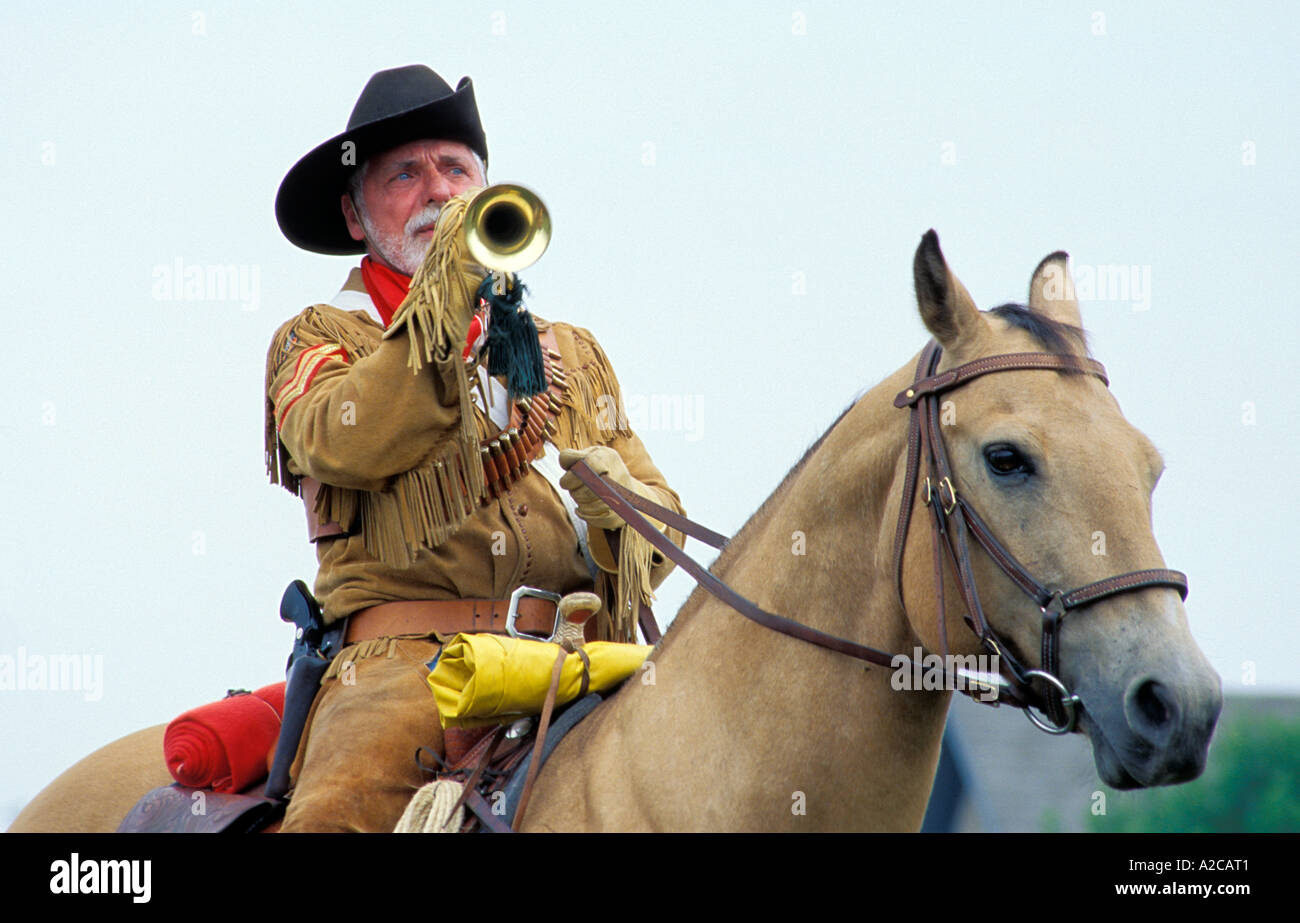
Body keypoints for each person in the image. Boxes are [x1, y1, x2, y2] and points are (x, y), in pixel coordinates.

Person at [265, 64, 685, 832]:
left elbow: (667, 534)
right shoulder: (318, 339)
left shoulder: (571, 354)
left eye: (456, 169)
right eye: (404, 174)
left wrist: (620, 505)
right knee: (335, 817)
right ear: (355, 218)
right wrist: (443, 313)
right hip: (403, 672)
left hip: (576, 657)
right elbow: (339, 439)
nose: (438, 190)